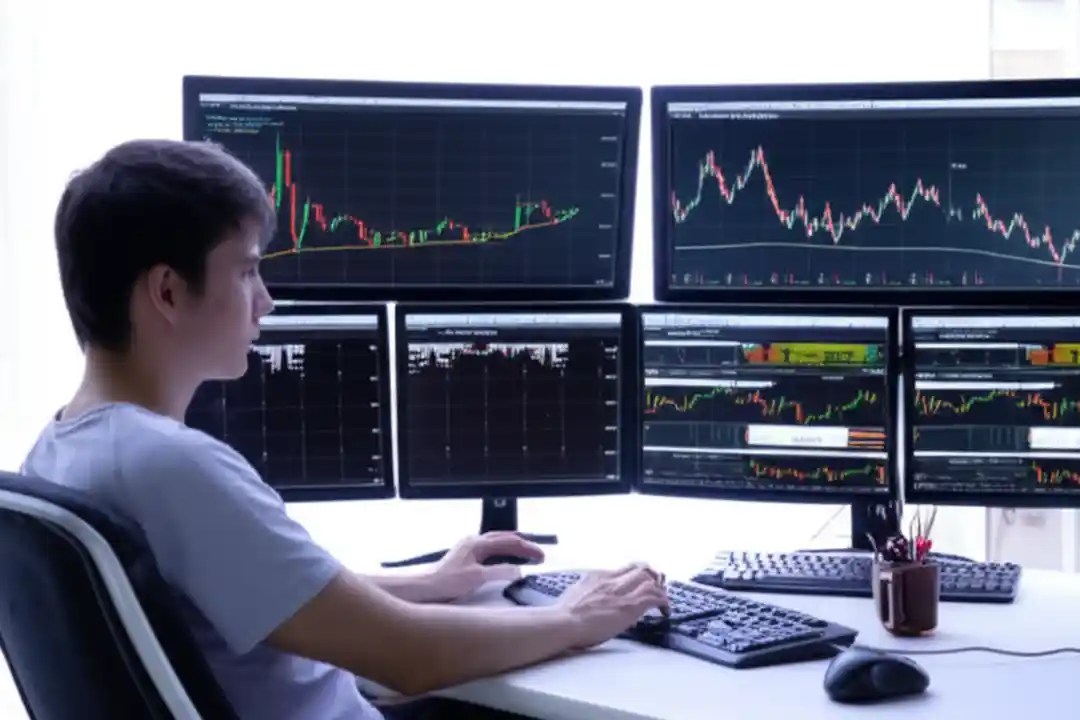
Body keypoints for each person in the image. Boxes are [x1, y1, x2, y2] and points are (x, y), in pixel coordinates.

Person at [20, 139, 668, 720]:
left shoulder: (59, 454)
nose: (265, 299)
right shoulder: (173, 466)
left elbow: (258, 599)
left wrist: (429, 584)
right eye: (246, 270)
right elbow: (408, 658)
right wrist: (575, 617)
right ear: (167, 292)